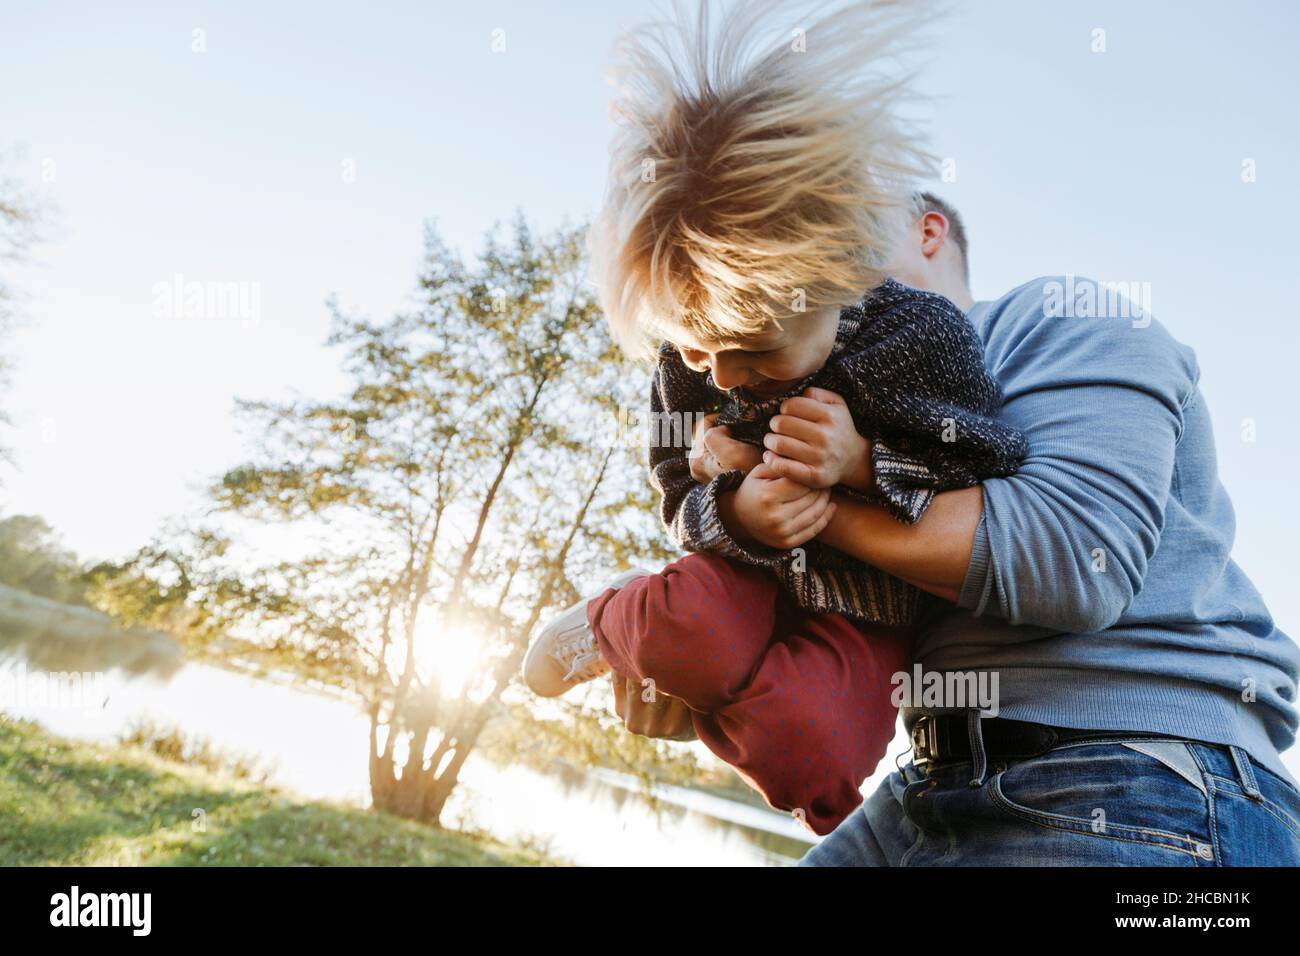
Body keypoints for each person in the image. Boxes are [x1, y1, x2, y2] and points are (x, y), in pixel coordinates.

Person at [521, 1, 1026, 835]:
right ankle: (614, 624)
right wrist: (732, 506)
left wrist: (861, 463)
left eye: (752, 351)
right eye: (695, 349)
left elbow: (993, 465)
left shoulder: (921, 336)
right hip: (740, 572)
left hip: (867, 610)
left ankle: (697, 693)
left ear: (837, 273)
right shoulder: (691, 363)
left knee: (811, 760)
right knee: (686, 629)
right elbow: (675, 492)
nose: (721, 375)